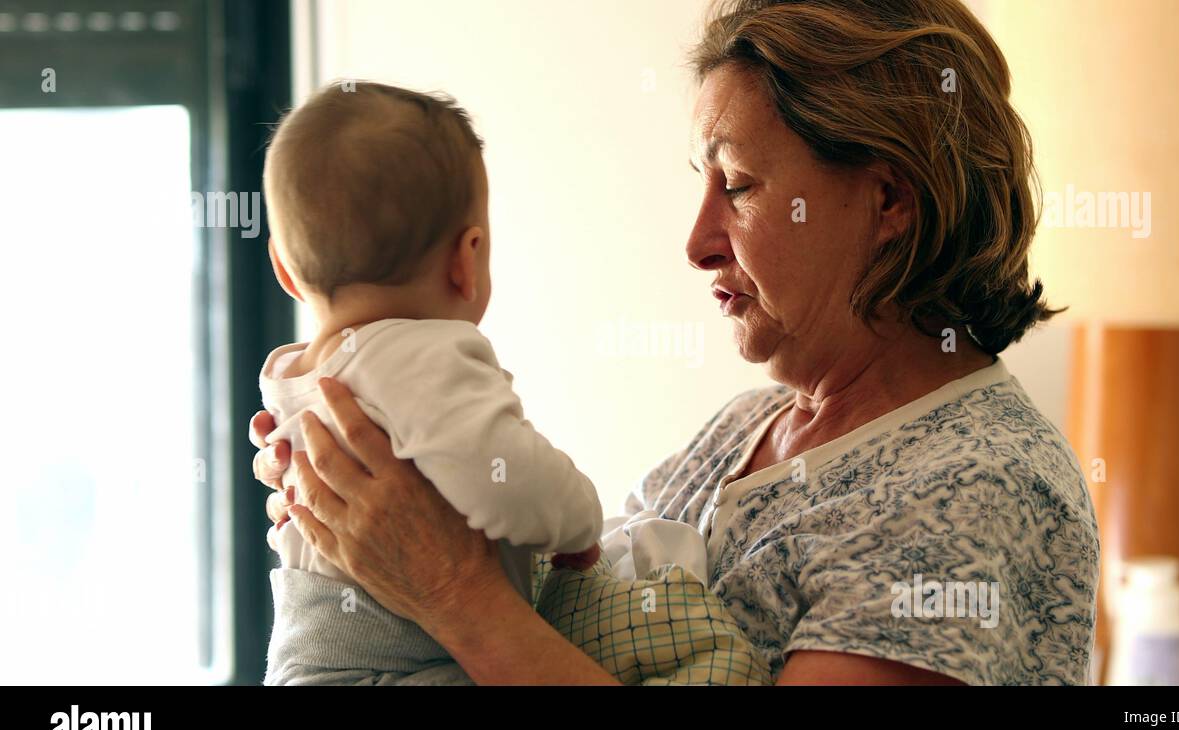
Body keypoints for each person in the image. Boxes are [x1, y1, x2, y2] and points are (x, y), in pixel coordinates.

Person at [253, 0, 1099, 685]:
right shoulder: (740, 431)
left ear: (888, 201)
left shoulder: (975, 487)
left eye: (737, 185)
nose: (696, 241)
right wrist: (355, 489)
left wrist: (445, 587)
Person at [257, 81, 603, 685]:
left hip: (305, 651)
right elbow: (506, 478)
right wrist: (577, 519)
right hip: (392, 658)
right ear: (465, 258)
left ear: (285, 271)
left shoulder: (293, 375)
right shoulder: (423, 356)